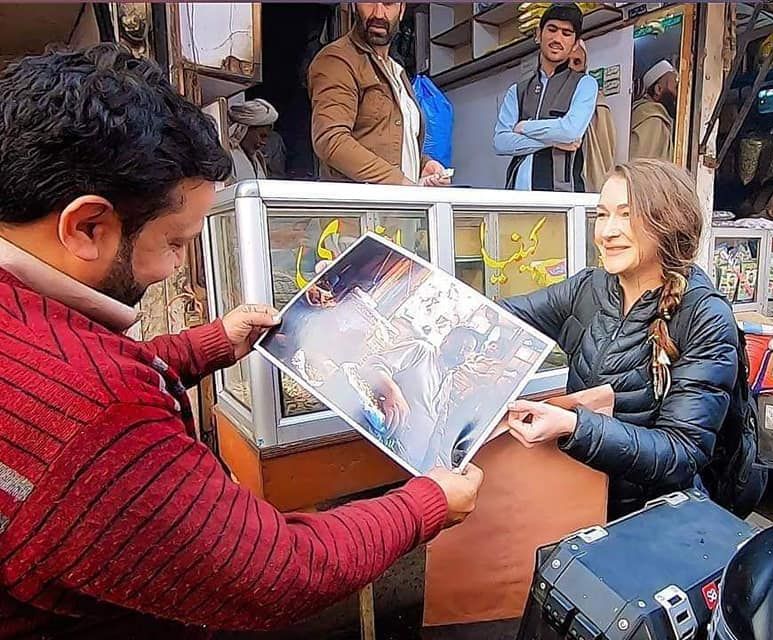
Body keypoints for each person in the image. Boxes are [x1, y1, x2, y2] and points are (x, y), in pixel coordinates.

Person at [0, 43, 482, 638]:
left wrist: (212, 343)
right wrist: (427, 502)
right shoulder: (103, 413)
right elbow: (281, 571)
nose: (176, 268)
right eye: (175, 241)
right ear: (86, 227)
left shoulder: (31, 329)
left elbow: (86, 373)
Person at [500, 159, 742, 519]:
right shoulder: (589, 288)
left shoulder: (704, 317)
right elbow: (501, 318)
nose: (607, 231)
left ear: (669, 221)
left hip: (651, 520)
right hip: (580, 495)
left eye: (626, 215)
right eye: (601, 215)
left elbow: (682, 452)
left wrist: (574, 425)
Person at [308, 2, 451, 186]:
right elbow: (331, 140)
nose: (379, 13)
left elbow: (388, 140)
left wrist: (422, 164)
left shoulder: (396, 70)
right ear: (354, 5)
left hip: (397, 210)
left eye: (389, 3)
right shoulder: (337, 60)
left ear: (401, 10)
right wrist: (399, 182)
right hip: (359, 210)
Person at [493, 4, 599, 192]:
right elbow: (501, 142)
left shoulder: (585, 84)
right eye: (552, 29)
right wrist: (554, 140)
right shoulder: (517, 91)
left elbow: (571, 132)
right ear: (538, 34)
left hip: (562, 199)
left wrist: (524, 127)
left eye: (567, 33)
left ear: (575, 44)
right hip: (515, 197)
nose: (557, 38)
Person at [361, 327, 484, 472]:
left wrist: (430, 470)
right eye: (459, 343)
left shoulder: (448, 381)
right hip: (381, 445)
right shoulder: (421, 350)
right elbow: (372, 366)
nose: (462, 350)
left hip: (411, 462)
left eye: (468, 348)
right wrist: (392, 392)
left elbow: (438, 428)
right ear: (446, 340)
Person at [569, 39, 617, 192]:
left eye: (576, 62)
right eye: (565, 62)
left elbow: (605, 156)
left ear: (585, 68)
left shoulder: (598, 103)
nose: (570, 67)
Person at [630, 60, 677, 162]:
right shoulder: (652, 119)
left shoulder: (646, 114)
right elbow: (642, 169)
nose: (678, 94)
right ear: (658, 89)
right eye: (676, 87)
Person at [227, 98, 279, 181]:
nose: (264, 142)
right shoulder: (228, 157)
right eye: (262, 136)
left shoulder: (258, 159)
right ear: (244, 130)